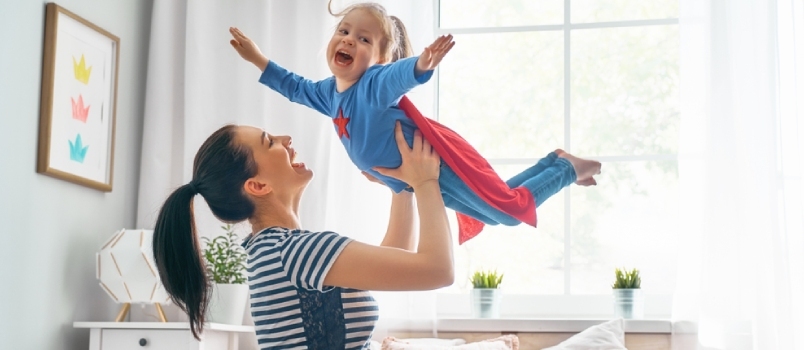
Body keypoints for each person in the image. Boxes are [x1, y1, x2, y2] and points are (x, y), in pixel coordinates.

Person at [228, 2, 602, 244]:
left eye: (363, 39)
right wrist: (258, 59)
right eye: (343, 32)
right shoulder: (329, 93)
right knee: (498, 212)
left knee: (505, 213)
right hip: (415, 179)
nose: (347, 41)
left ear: (380, 57)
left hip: (433, 169)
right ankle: (555, 163)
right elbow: (294, 87)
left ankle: (565, 168)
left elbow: (398, 78)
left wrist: (422, 65)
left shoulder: (373, 84)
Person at [152, 122, 452, 348]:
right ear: (257, 186)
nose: (286, 140)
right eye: (269, 143)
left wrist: (402, 186)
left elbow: (397, 261)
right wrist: (426, 181)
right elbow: (438, 271)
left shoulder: (275, 250)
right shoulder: (293, 252)